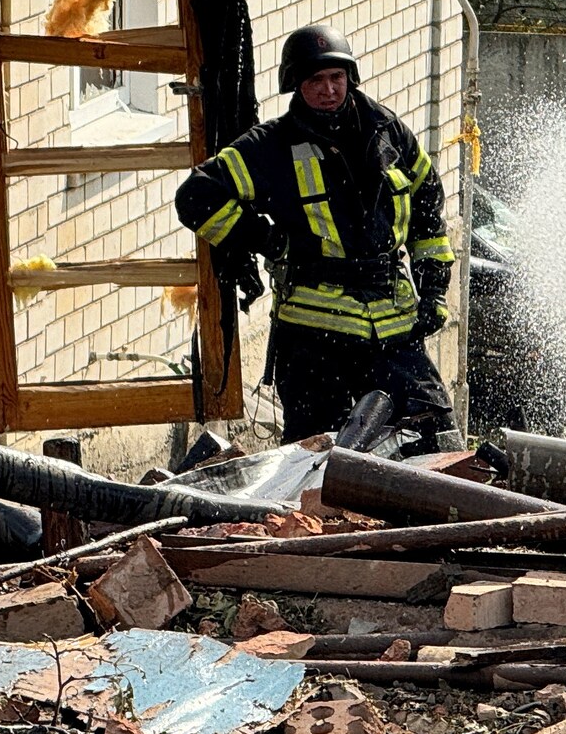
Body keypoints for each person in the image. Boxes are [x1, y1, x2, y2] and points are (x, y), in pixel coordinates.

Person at [175, 23, 457, 445]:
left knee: (435, 435)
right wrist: (268, 241)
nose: (329, 90)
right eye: (316, 81)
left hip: (393, 330)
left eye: (336, 78)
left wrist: (433, 290)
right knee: (313, 457)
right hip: (314, 340)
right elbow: (196, 197)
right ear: (296, 85)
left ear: (350, 78)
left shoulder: (387, 131)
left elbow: (427, 207)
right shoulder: (271, 146)